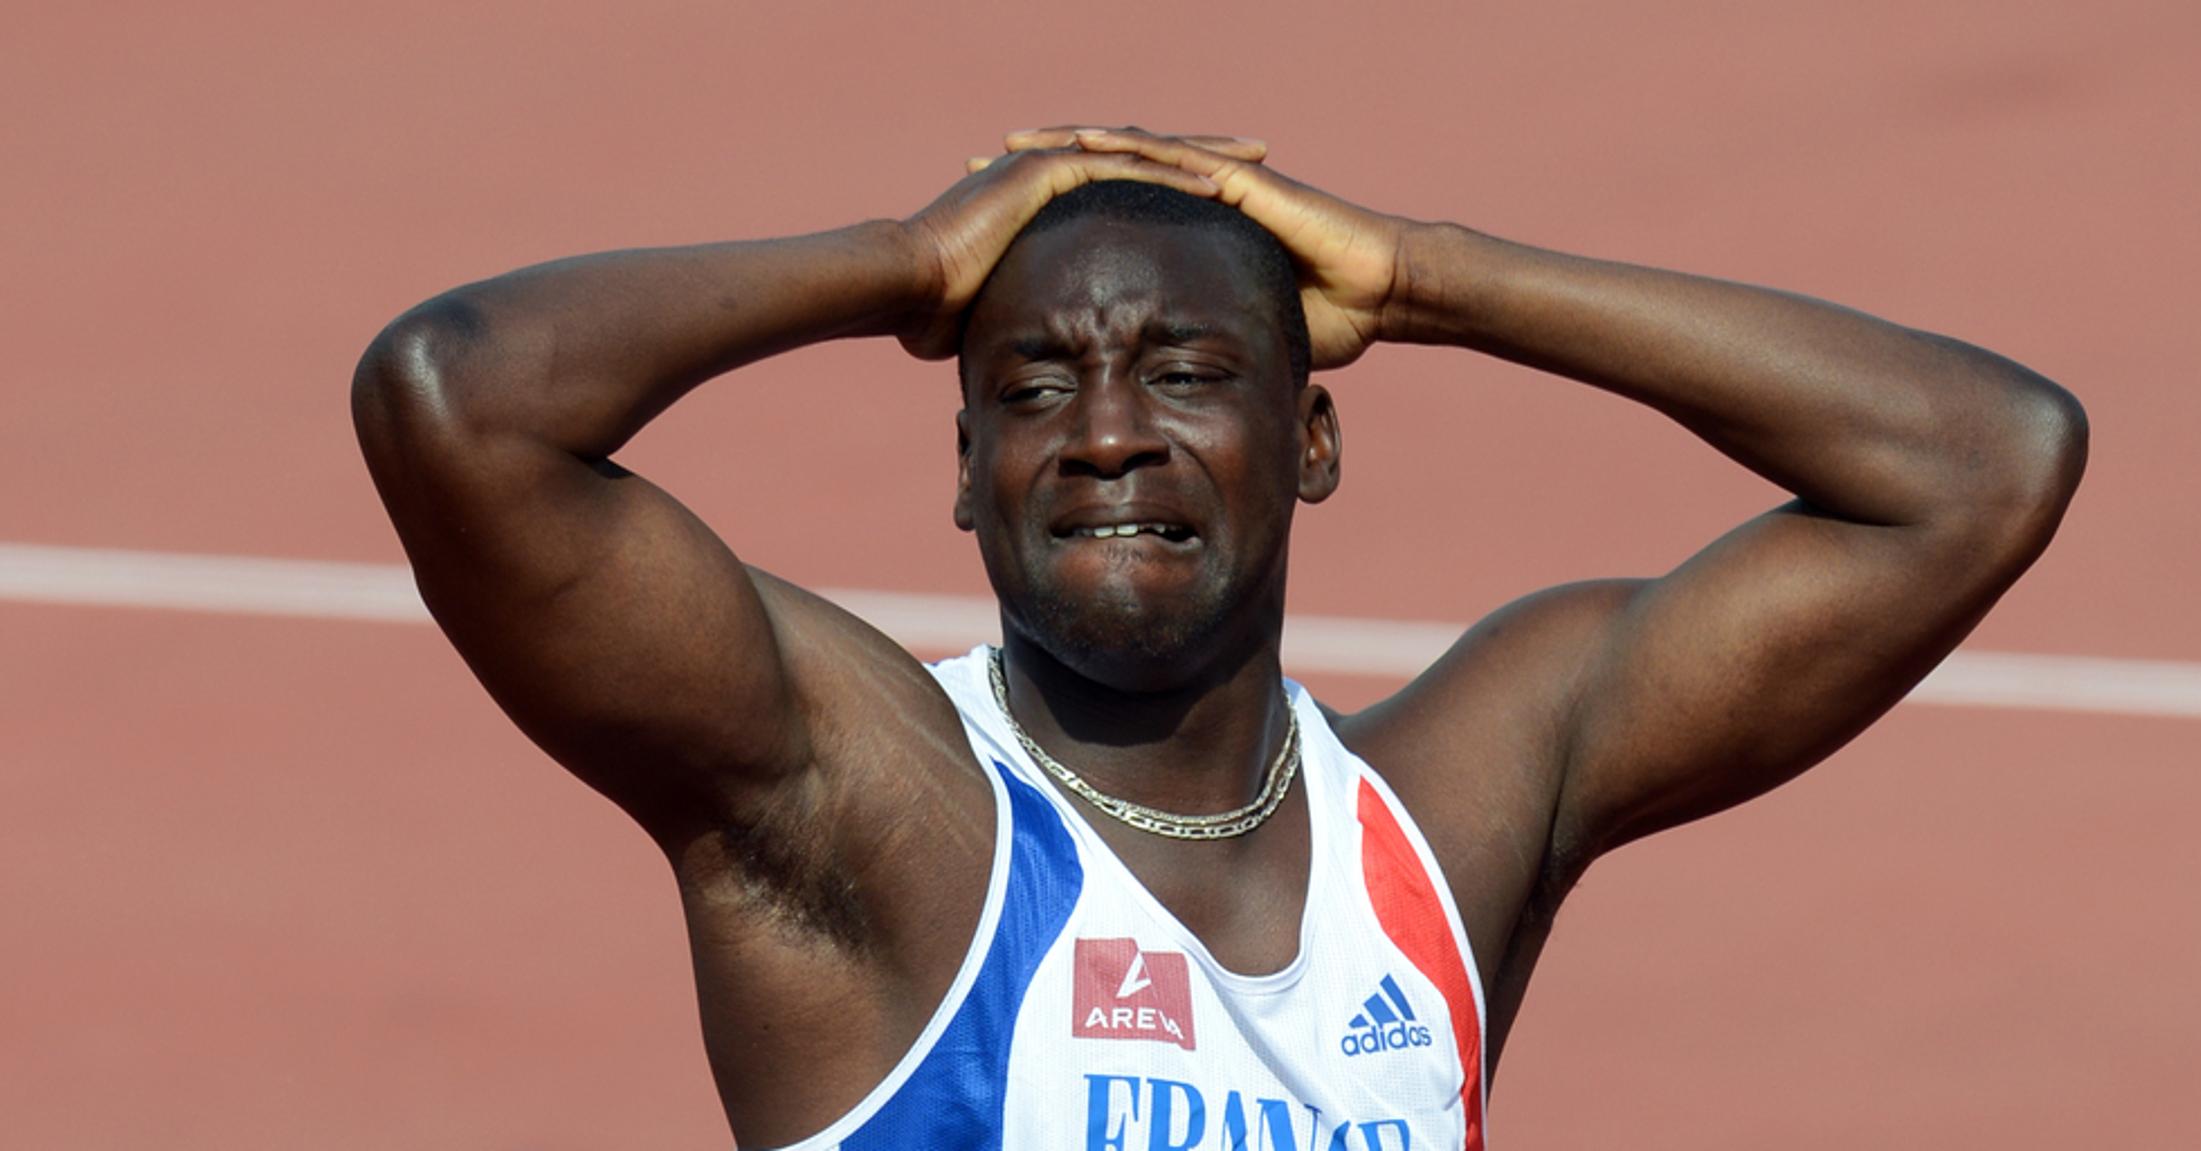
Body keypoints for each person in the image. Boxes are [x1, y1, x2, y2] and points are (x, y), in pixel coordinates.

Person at [351, 127, 2085, 1149]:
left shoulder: (1451, 812)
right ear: (966, 472)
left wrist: (1421, 276)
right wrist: (897, 263)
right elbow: (458, 402)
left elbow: (1977, 461)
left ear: (1312, 439)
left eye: (1186, 373)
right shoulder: (860, 804)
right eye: (1032, 389)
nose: (1107, 436)